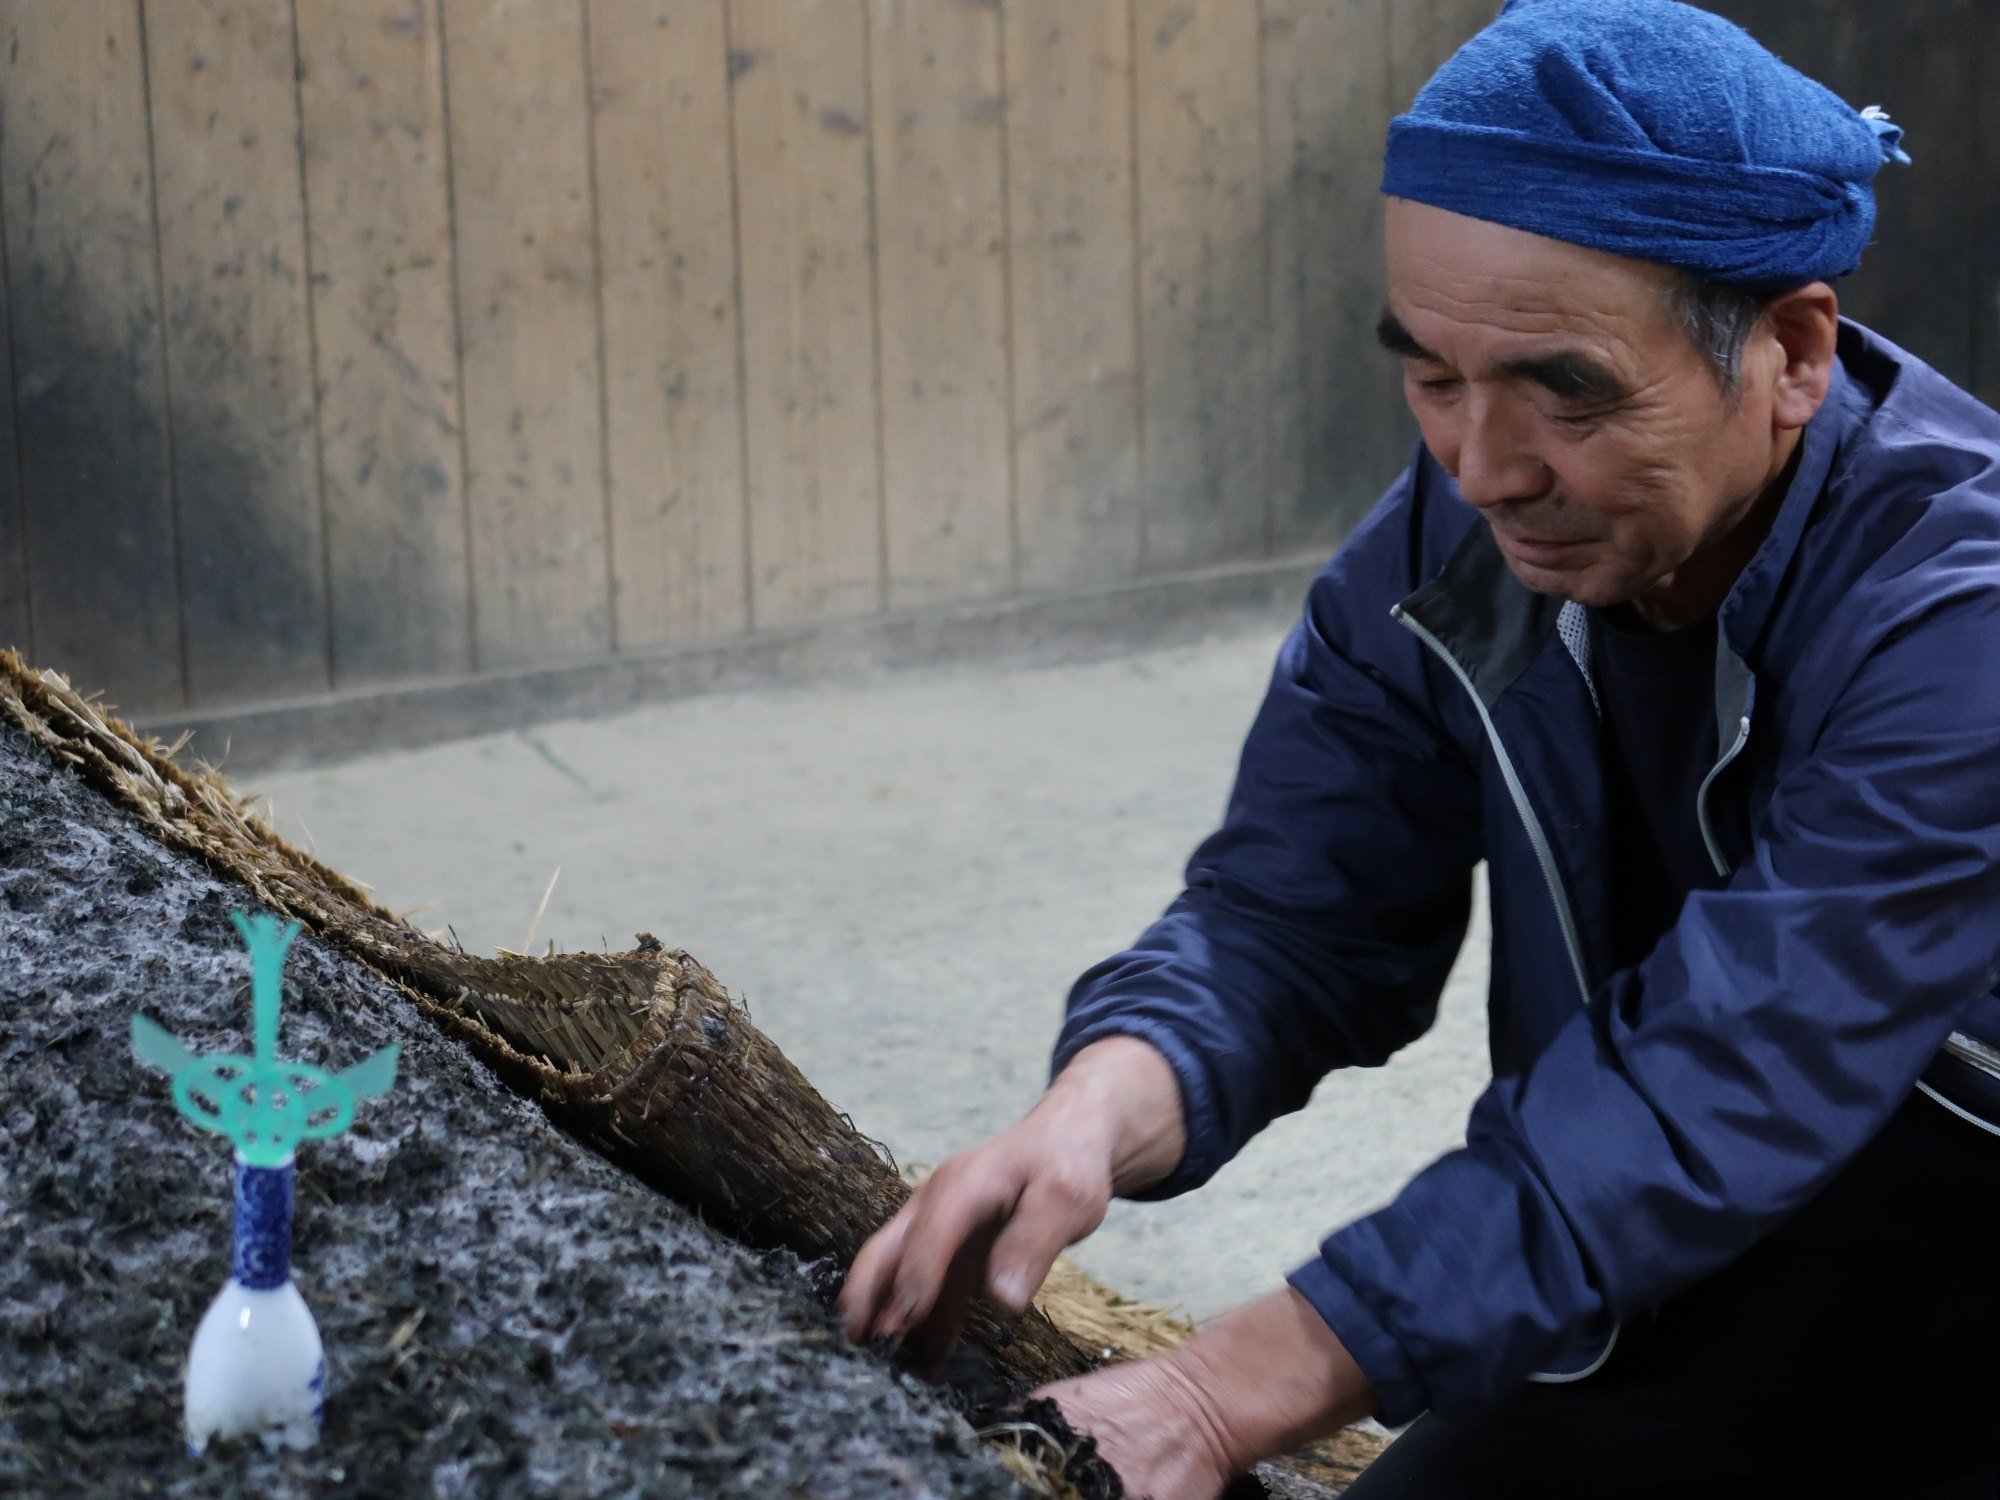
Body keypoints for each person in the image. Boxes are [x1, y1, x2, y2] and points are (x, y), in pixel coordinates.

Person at [839, 2, 2000, 1495]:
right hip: (1667, 1256)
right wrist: (1098, 1108)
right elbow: (1294, 910)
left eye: (1566, 391)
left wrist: (1218, 1390)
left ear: (1789, 350)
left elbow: (1736, 1063)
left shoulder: (1961, 614)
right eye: (1436, 376)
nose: (1483, 467)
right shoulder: (1471, 543)